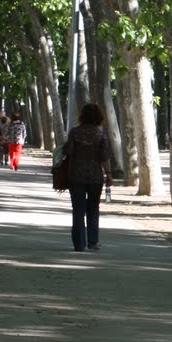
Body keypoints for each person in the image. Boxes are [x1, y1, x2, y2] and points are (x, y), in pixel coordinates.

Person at [61, 103, 113, 252]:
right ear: (99, 117)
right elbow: (104, 157)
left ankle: (79, 244)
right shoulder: (101, 134)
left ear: (82, 116)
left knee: (78, 210)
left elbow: (68, 151)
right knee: (93, 209)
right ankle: (93, 241)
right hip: (95, 177)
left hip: (76, 175)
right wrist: (108, 174)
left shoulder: (75, 132)